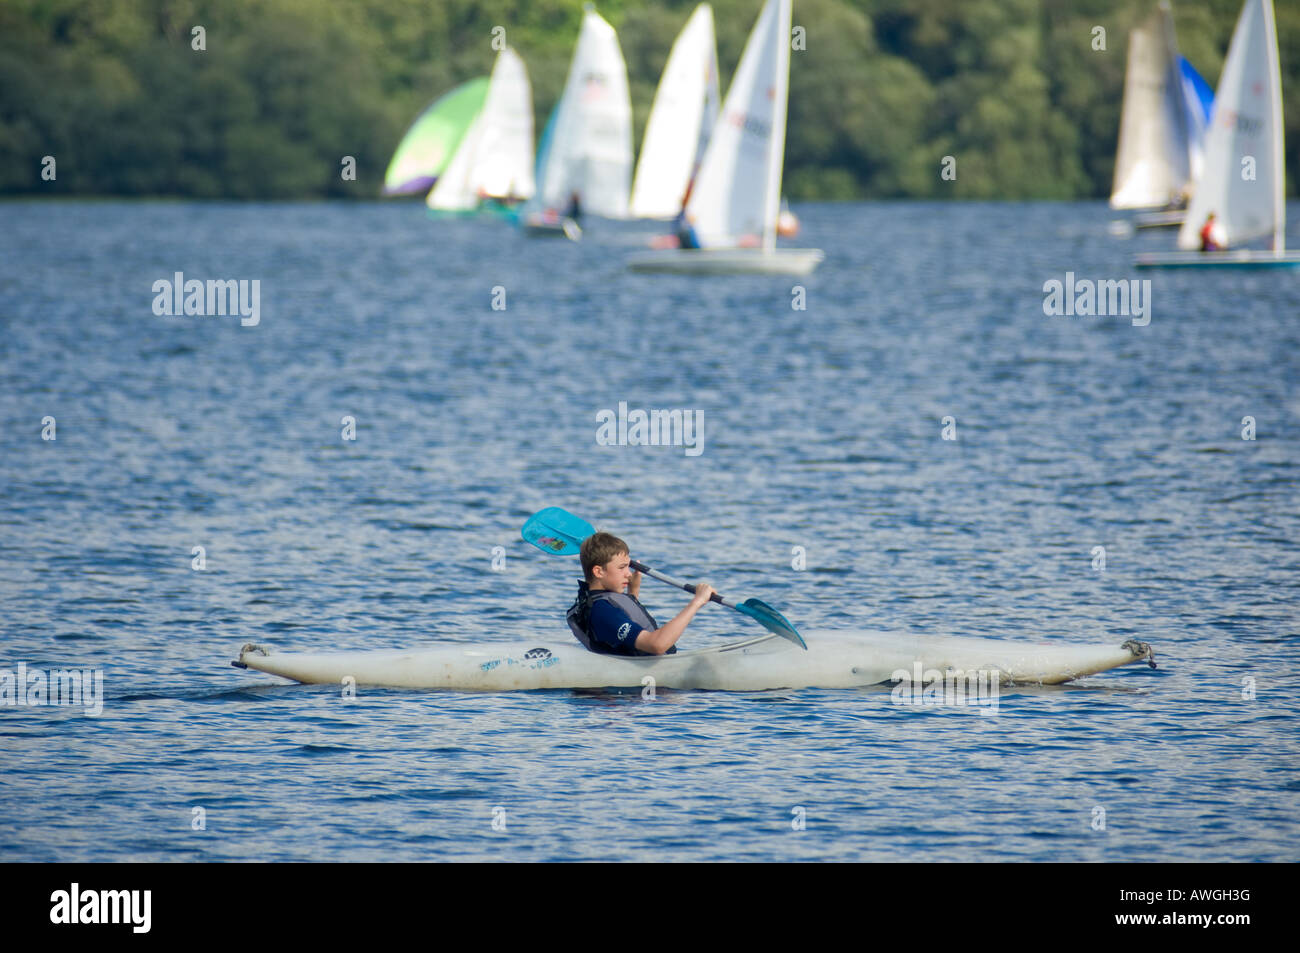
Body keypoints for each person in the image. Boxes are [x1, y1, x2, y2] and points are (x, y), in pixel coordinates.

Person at [566, 532, 714, 656]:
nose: (629, 574)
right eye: (622, 568)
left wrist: (633, 592)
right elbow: (657, 645)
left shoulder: (602, 603)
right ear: (598, 571)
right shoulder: (602, 611)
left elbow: (625, 619)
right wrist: (697, 602)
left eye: (628, 567)